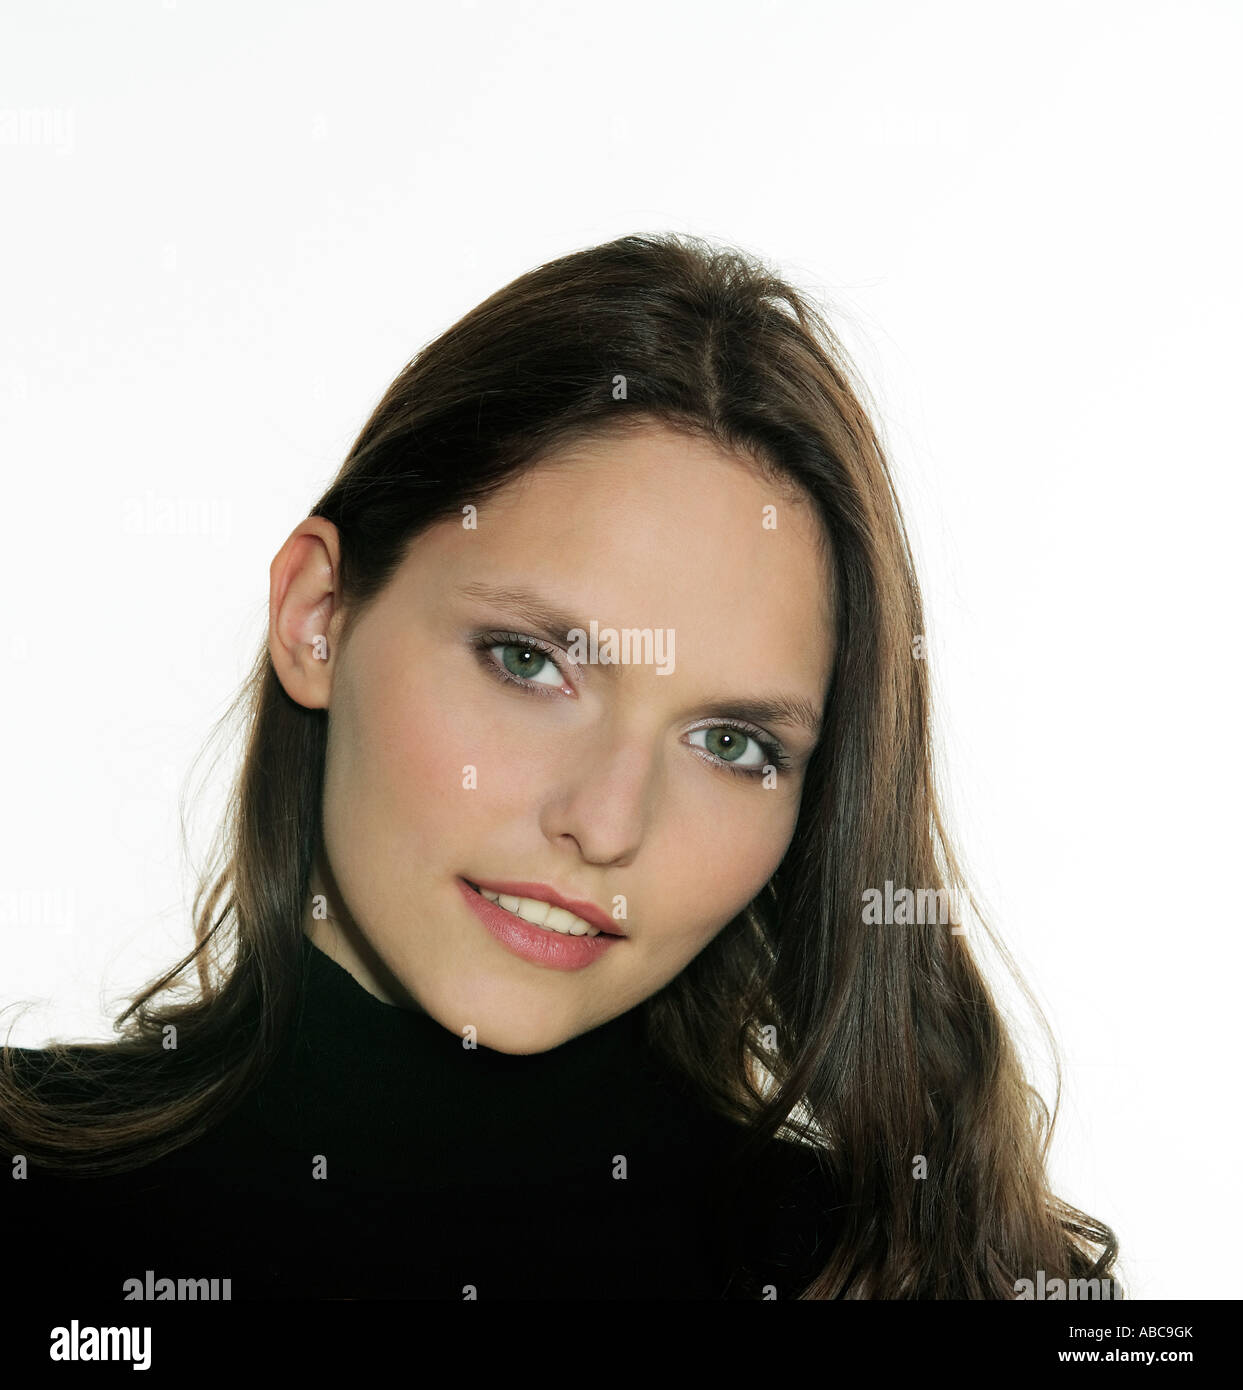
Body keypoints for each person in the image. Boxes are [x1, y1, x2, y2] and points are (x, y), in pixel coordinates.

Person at [1, 232, 1120, 1300]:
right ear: (318, 616)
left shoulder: (924, 1281)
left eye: (731, 743)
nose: (608, 823)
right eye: (530, 662)